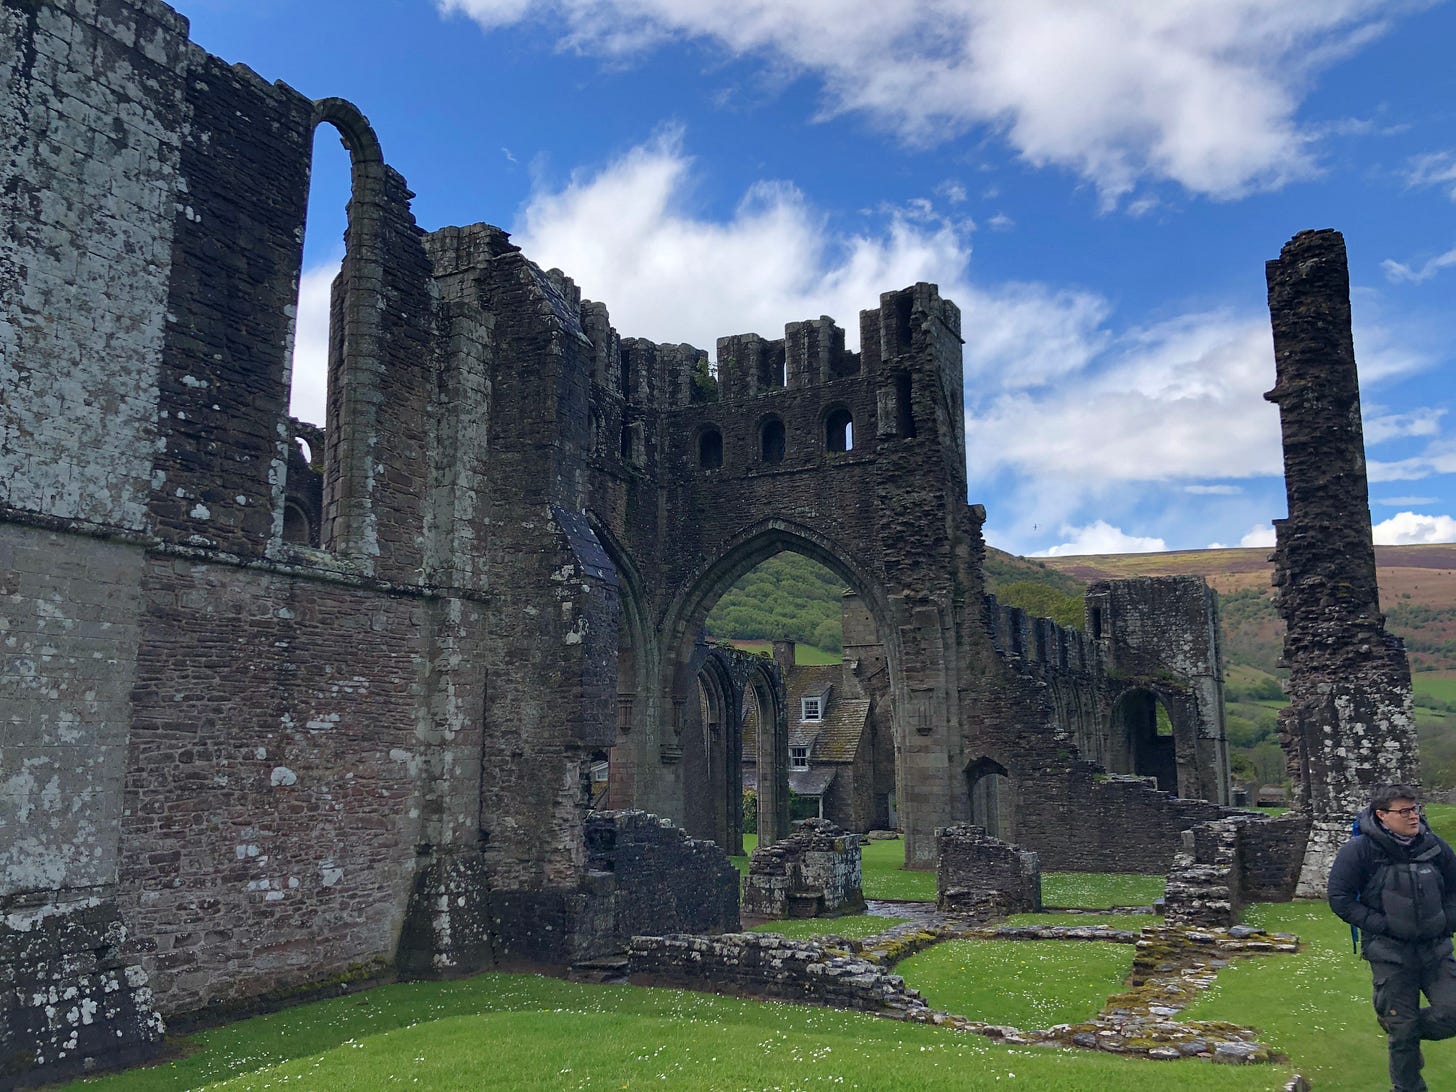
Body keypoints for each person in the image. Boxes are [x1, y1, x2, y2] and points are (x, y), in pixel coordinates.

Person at [1329, 784, 1456, 1091]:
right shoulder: (1359, 851)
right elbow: (1340, 898)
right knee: (1403, 1035)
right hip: (1390, 955)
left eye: (1415, 810)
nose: (1413, 816)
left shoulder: (1435, 846)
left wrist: (1445, 922)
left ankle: (1401, 1025)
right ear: (1382, 815)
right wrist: (1383, 925)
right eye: (1405, 811)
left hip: (1436, 950)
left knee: (1450, 1013)